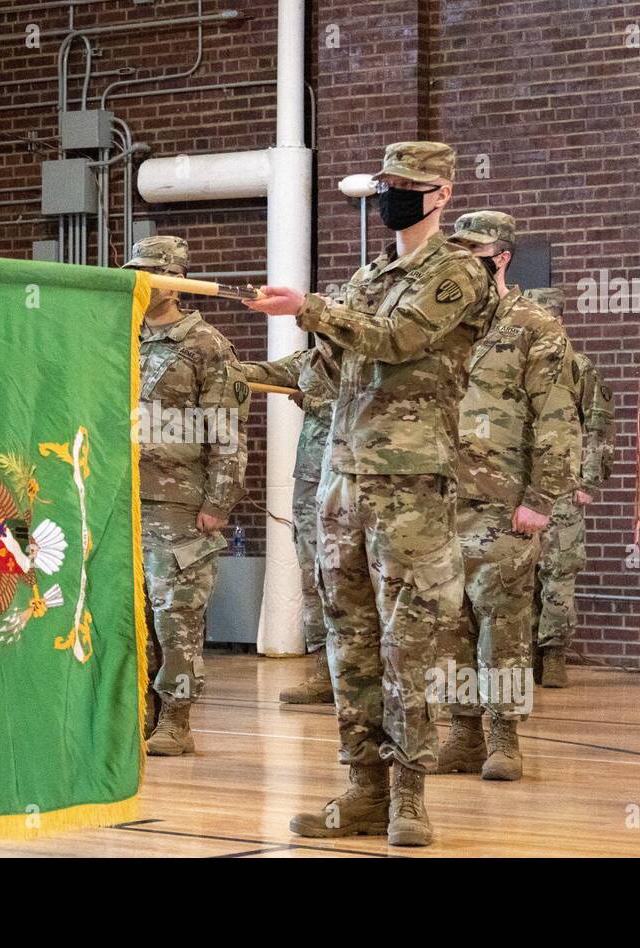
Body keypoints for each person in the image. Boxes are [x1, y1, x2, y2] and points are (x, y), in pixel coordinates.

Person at [245, 141, 494, 846]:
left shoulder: (458, 275)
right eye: (387, 184)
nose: (394, 197)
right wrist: (240, 374)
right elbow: (323, 365)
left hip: (411, 484)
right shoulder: (369, 275)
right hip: (343, 483)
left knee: (409, 640)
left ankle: (410, 795)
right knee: (349, 641)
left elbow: (396, 340)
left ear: (441, 193)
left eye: (407, 185)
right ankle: (362, 787)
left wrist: (312, 308)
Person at [436, 212, 580, 781]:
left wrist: (542, 499)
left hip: (504, 502)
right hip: (440, 499)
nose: (462, 259)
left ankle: (503, 734)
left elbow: (557, 418)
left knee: (503, 622)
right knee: (448, 624)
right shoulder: (439, 325)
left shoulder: (534, 325)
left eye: (473, 250)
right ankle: (462, 730)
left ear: (500, 257)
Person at [125, 235, 250, 756]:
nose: (142, 282)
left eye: (151, 273)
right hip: (125, 497)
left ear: (174, 280)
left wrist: (219, 501)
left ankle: (176, 717)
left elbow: (226, 429)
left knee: (176, 612)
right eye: (136, 272)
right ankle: (137, 713)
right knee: (129, 616)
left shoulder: (206, 345)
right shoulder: (120, 337)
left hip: (180, 502)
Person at [523, 287, 614, 687]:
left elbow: (598, 426)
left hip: (563, 484)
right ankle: (523, 652)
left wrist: (589, 479)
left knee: (559, 570)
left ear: (561, 321)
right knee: (518, 571)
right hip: (522, 485)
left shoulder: (580, 367)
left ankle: (554, 652)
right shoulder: (516, 364)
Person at [241, 338, 339, 704]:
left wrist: (313, 399)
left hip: (353, 479)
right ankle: (324, 671)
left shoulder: (376, 356)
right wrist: (220, 364)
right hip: (312, 478)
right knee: (313, 577)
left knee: (354, 580)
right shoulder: (310, 360)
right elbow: (265, 373)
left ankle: (362, 675)